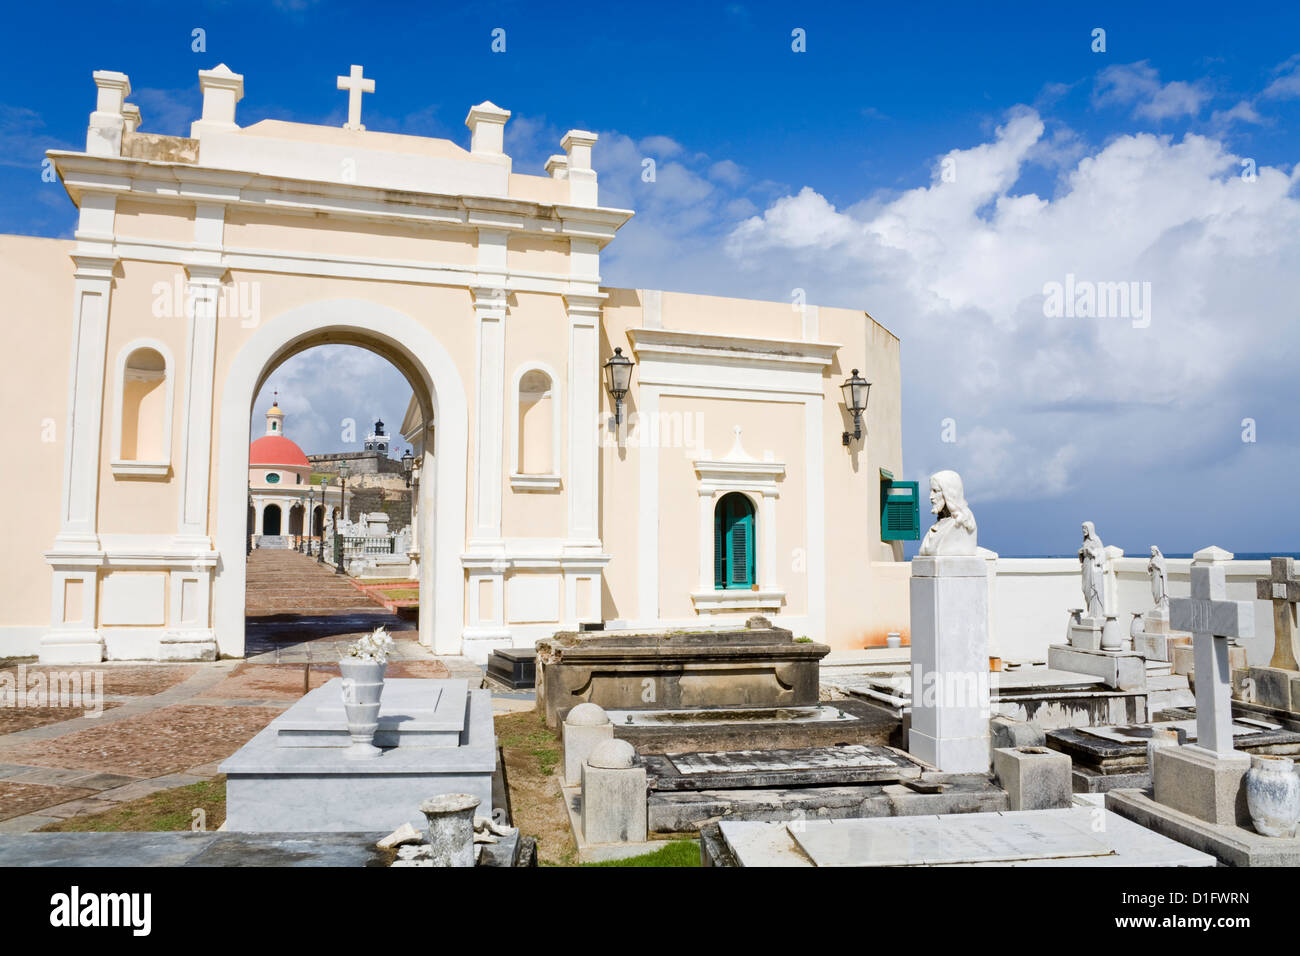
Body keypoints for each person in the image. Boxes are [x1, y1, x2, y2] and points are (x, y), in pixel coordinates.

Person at [918, 470, 977, 557]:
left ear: (949, 493)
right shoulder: (941, 523)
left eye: (935, 491)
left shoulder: (961, 522)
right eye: (931, 491)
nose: (931, 496)